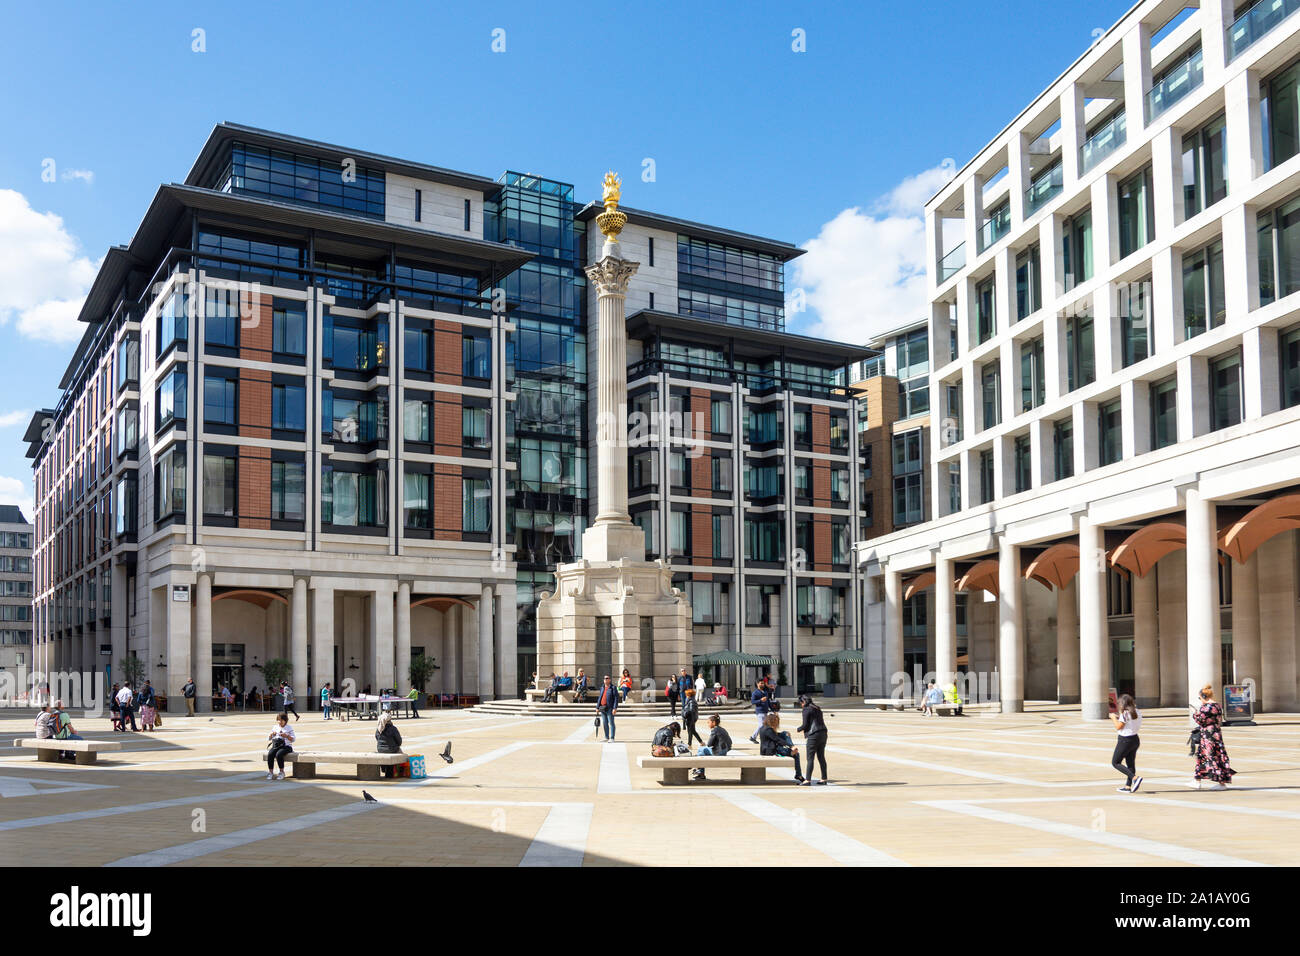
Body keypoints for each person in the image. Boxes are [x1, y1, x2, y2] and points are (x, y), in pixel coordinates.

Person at [1190, 684, 1235, 790]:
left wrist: (1194, 713)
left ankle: (1198, 781)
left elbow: (1200, 720)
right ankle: (1219, 783)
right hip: (1217, 733)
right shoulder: (1217, 706)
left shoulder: (1206, 707)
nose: (1200, 700)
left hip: (1208, 735)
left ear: (1204, 697)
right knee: (1217, 756)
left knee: (1206, 757)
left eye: (1200, 698)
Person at [1109, 693, 1143, 793]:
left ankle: (1135, 778)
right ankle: (1128, 786)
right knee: (1130, 763)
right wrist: (1119, 716)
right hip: (1135, 739)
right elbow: (1129, 722)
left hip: (1125, 740)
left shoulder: (1125, 714)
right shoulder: (1137, 712)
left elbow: (1118, 727)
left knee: (1115, 762)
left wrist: (1113, 718)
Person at [759, 712, 803, 784]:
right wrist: (791, 746)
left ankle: (798, 773)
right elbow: (777, 739)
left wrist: (785, 734)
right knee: (796, 754)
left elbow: (775, 736)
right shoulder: (768, 730)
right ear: (771, 721)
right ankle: (798, 775)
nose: (777, 724)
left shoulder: (764, 728)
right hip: (771, 751)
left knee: (785, 733)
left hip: (772, 748)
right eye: (776, 721)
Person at [796, 694, 829, 786]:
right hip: (823, 733)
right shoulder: (817, 708)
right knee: (821, 757)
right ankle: (824, 778)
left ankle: (808, 780)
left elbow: (805, 725)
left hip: (813, 735)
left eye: (801, 703)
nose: (801, 705)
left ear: (804, 702)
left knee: (810, 758)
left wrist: (798, 729)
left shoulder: (806, 709)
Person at [692, 713, 733, 781]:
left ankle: (700, 773)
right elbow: (730, 742)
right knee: (701, 751)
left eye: (708, 722)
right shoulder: (722, 729)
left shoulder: (714, 730)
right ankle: (699, 772)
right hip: (724, 750)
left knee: (700, 751)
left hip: (719, 752)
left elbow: (709, 744)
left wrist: (706, 745)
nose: (708, 724)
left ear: (713, 722)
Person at [266, 713, 295, 780]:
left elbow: (293, 739)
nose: (280, 722)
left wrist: (287, 736)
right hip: (276, 745)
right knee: (270, 754)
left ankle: (281, 772)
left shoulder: (289, 727)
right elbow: (269, 738)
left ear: (285, 720)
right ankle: (270, 772)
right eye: (278, 720)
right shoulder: (275, 727)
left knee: (279, 754)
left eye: (281, 720)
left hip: (286, 746)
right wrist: (271, 735)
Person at [375, 711, 404, 778]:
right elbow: (399, 741)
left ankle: (383, 767)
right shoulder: (393, 728)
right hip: (392, 749)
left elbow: (377, 738)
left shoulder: (379, 729)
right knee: (398, 752)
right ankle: (391, 773)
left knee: (385, 752)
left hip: (380, 749)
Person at [595, 674, 619, 742]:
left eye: (607, 678)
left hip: (610, 708)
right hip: (602, 708)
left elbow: (616, 699)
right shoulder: (602, 687)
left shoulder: (613, 688)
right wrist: (597, 707)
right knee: (605, 723)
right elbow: (600, 697)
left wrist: (615, 708)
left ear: (610, 680)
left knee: (611, 723)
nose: (605, 679)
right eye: (604, 678)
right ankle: (606, 737)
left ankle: (612, 738)